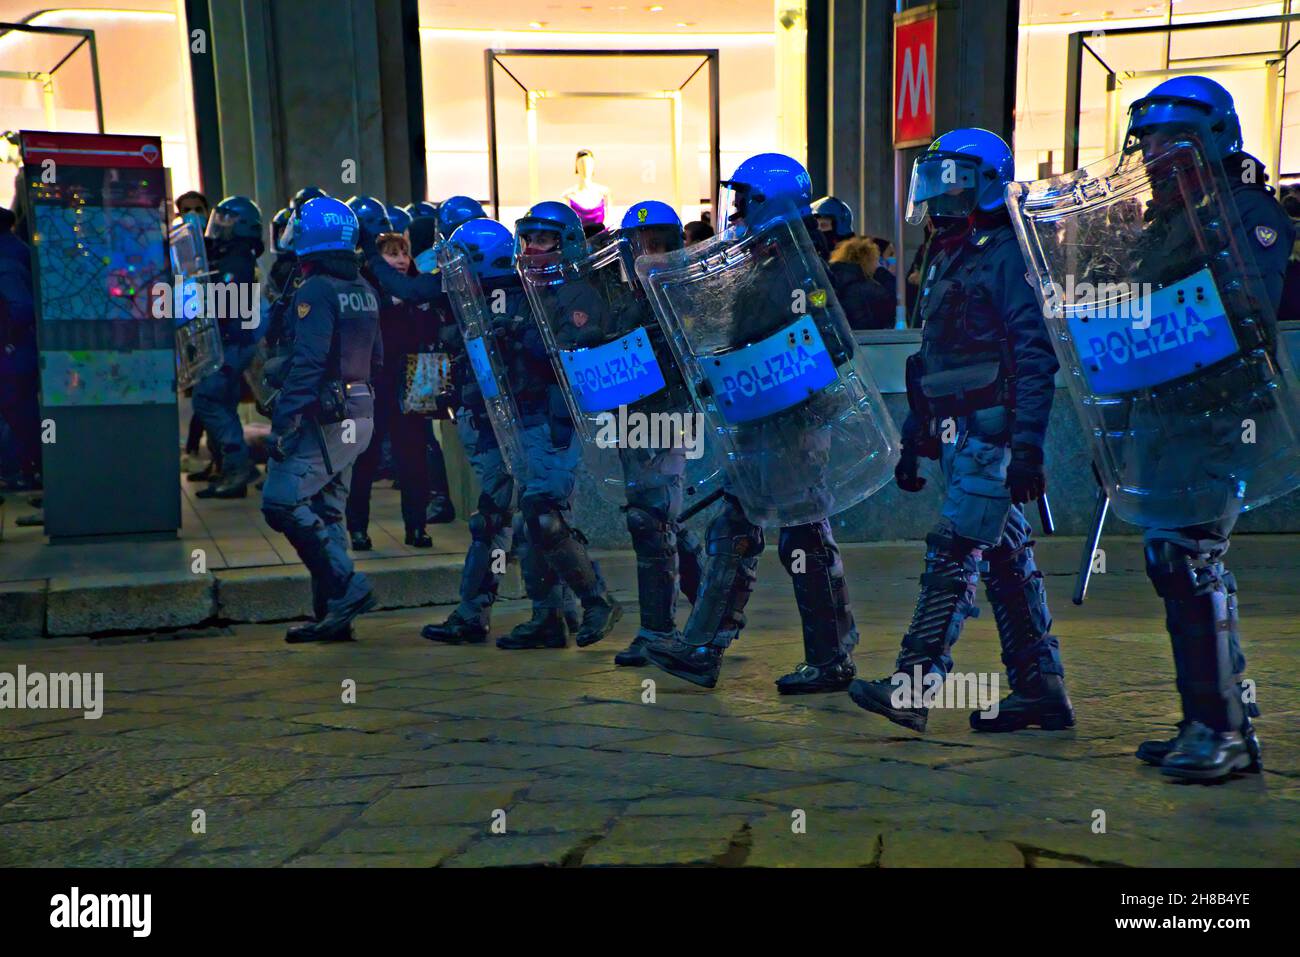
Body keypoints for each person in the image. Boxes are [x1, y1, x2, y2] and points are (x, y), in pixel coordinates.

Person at [847, 128, 1073, 734]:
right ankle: (1041, 688)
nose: (936, 197)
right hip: (961, 432)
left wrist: (1027, 450)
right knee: (1007, 560)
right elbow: (934, 359)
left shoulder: (1010, 256)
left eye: (951, 183)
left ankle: (912, 689)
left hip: (992, 436)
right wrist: (914, 436)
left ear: (984, 185)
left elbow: (1035, 358)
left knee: (955, 552)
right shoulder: (953, 252)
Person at [641, 154, 876, 694]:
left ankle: (827, 657)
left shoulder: (797, 266)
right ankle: (707, 647)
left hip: (792, 427)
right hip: (762, 424)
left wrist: (760, 376)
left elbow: (830, 345)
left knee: (801, 537)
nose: (735, 210)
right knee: (739, 531)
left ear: (769, 202)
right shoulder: (767, 263)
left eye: (743, 199)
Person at [1116, 77, 1291, 780]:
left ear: (1212, 140)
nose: (1154, 155)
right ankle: (1211, 719)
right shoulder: (1163, 223)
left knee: (1188, 557)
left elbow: (1246, 306)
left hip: (1221, 413)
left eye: (1170, 141)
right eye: (1148, 142)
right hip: (1168, 412)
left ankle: (1221, 730)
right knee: (1175, 560)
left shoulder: (1247, 211)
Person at [522, 198, 704, 666]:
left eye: (659, 243)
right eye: (640, 243)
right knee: (659, 518)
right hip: (629, 416)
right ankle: (707, 610)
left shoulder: (684, 291)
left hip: (668, 414)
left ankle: (659, 631)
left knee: (651, 520)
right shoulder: (619, 294)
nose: (649, 252)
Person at [261, 196, 380, 643]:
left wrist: (285, 421)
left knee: (282, 500)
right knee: (328, 510)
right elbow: (377, 357)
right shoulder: (363, 287)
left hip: (324, 416)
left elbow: (308, 363)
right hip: (358, 412)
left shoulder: (315, 290)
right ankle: (333, 617)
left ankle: (348, 588)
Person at [345, 230, 437, 549]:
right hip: (375, 379)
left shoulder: (419, 289)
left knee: (414, 456)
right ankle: (357, 528)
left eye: (403, 253)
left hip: (417, 375)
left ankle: (417, 527)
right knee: (364, 456)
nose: (400, 260)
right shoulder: (365, 289)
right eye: (392, 254)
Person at [193, 196, 264, 498]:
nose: (219, 224)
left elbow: (226, 304)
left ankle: (238, 467)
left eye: (226, 218)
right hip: (233, 341)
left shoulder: (237, 259)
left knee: (208, 399)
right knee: (222, 401)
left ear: (241, 224)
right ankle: (232, 467)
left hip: (231, 342)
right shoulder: (232, 254)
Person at [0, 206, 40, 491]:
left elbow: (21, 308)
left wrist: (8, 342)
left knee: (19, 415)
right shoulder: (18, 250)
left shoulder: (5, 261)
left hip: (14, 354)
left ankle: (25, 470)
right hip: (21, 352)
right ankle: (30, 469)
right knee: (23, 414)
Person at [828, 236, 894, 330]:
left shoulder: (833, 278)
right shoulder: (868, 288)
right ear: (868, 260)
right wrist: (881, 272)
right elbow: (894, 301)